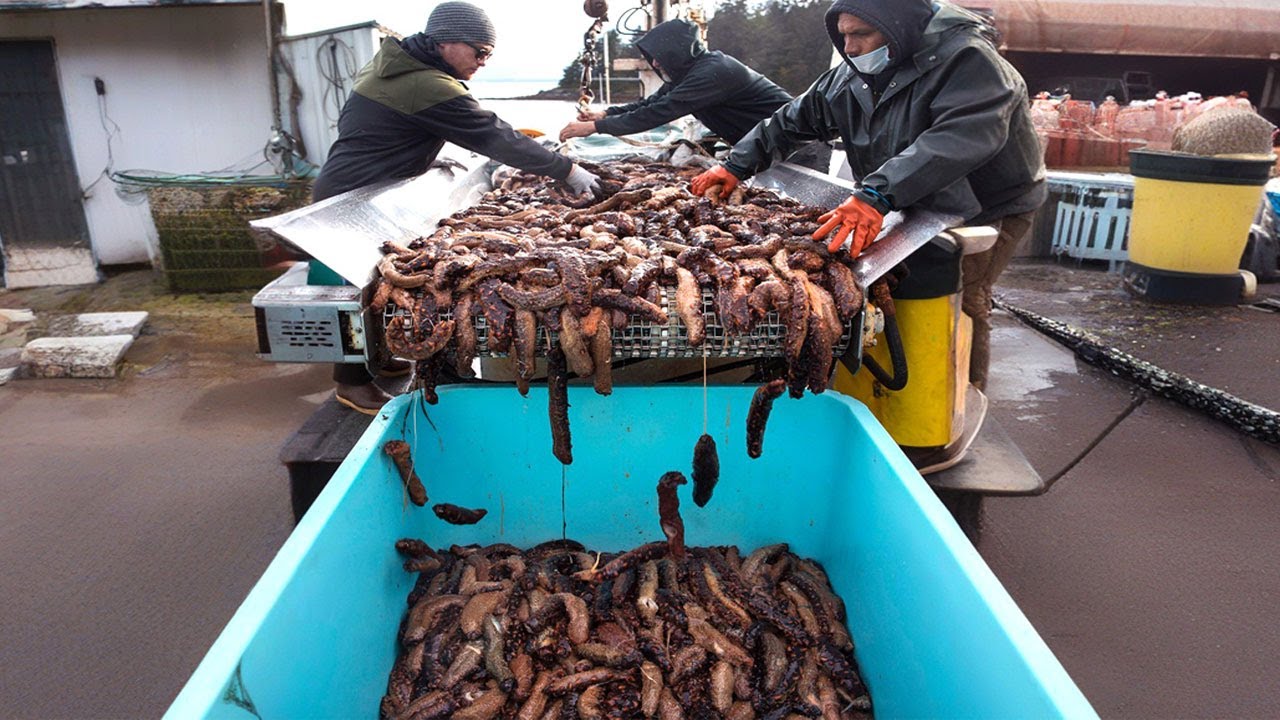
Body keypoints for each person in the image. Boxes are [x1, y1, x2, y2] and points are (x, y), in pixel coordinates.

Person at [690, 0, 1046, 391]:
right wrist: (736, 165)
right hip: (908, 199)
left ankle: (957, 401)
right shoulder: (851, 75)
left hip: (985, 207)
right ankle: (890, 389)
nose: (851, 47)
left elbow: (958, 139)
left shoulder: (970, 61)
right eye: (843, 35)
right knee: (902, 293)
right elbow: (791, 119)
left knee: (962, 301)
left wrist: (876, 194)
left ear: (897, 27)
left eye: (861, 34)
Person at [313, 1, 600, 414]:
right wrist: (567, 170)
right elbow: (493, 135)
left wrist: (425, 156)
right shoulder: (426, 84)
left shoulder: (395, 65)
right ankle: (351, 383)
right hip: (351, 198)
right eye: (478, 51)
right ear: (445, 41)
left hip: (368, 188)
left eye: (489, 54)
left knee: (380, 282)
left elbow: (393, 126)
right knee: (357, 289)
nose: (483, 61)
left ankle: (381, 356)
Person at [557, 18, 793, 147]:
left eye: (660, 57)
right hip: (765, 144)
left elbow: (660, 112)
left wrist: (594, 128)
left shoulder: (714, 71)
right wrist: (605, 114)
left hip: (796, 142)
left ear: (677, 51)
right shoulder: (688, 72)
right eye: (653, 58)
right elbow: (650, 103)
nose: (656, 64)